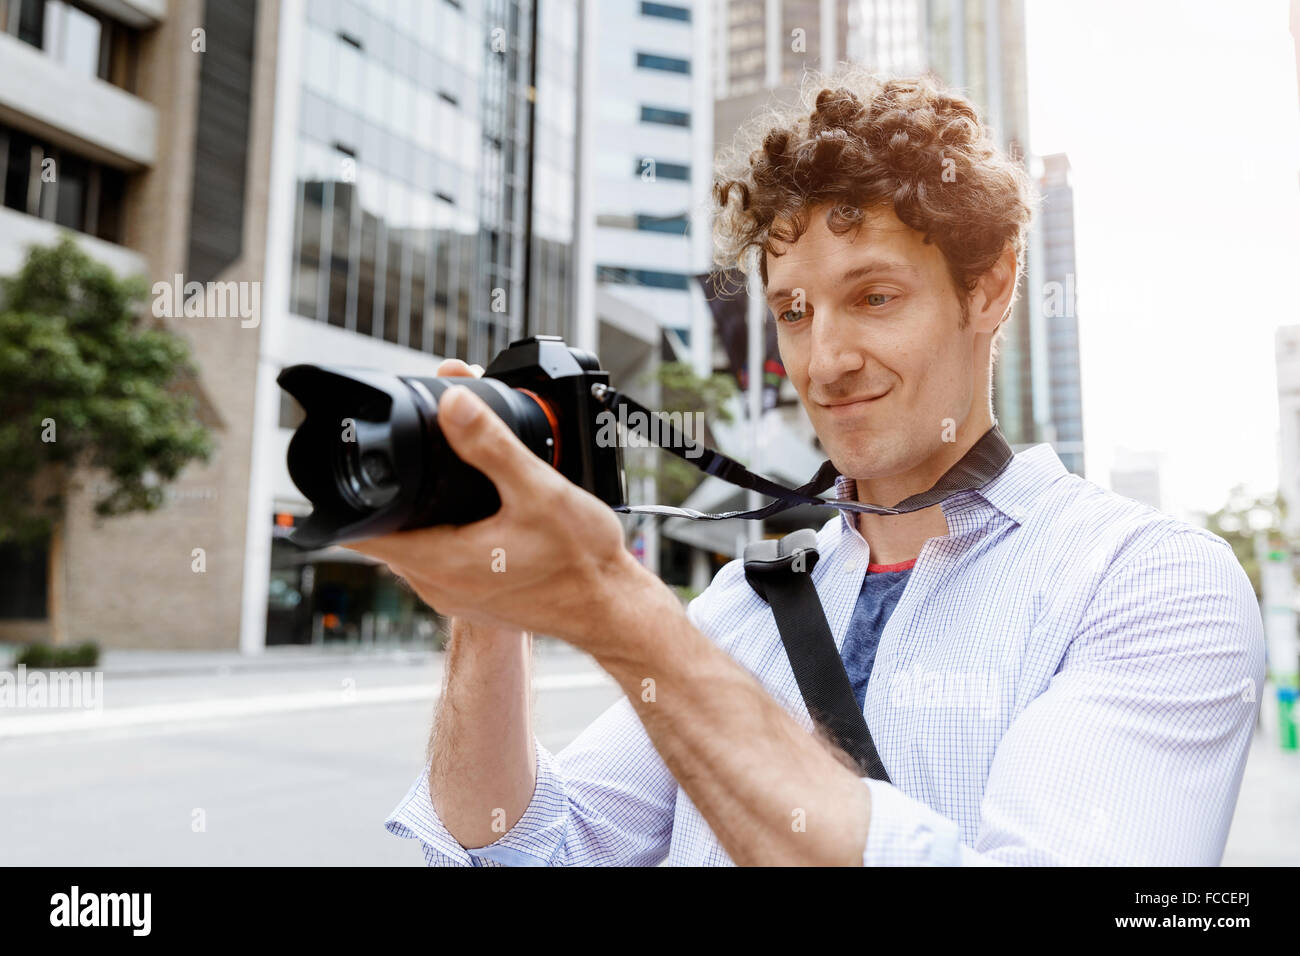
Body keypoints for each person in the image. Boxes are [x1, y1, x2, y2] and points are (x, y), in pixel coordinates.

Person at [350, 70, 1265, 866]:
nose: (824, 361)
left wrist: (611, 605)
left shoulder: (1145, 583)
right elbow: (522, 851)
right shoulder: (741, 608)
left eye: (873, 297)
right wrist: (486, 606)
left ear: (989, 288)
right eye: (793, 310)